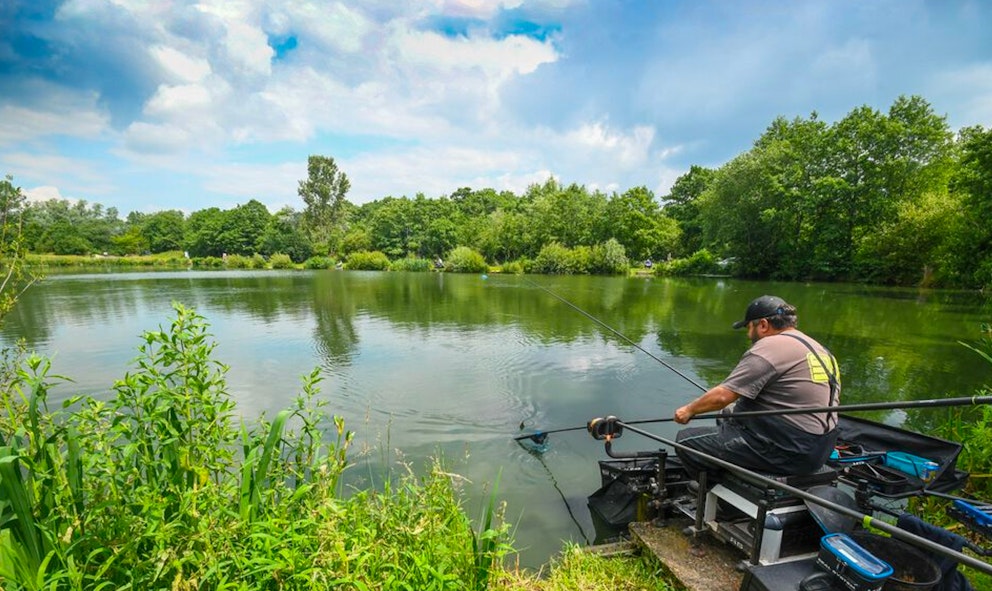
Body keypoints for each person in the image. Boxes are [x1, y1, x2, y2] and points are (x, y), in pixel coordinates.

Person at [673, 295, 840, 478]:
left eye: (748, 327)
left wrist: (688, 410)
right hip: (820, 448)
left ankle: (714, 489)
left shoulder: (771, 345)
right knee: (728, 413)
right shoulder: (818, 348)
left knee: (686, 441)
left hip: (789, 451)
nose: (747, 334)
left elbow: (721, 397)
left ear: (762, 325)